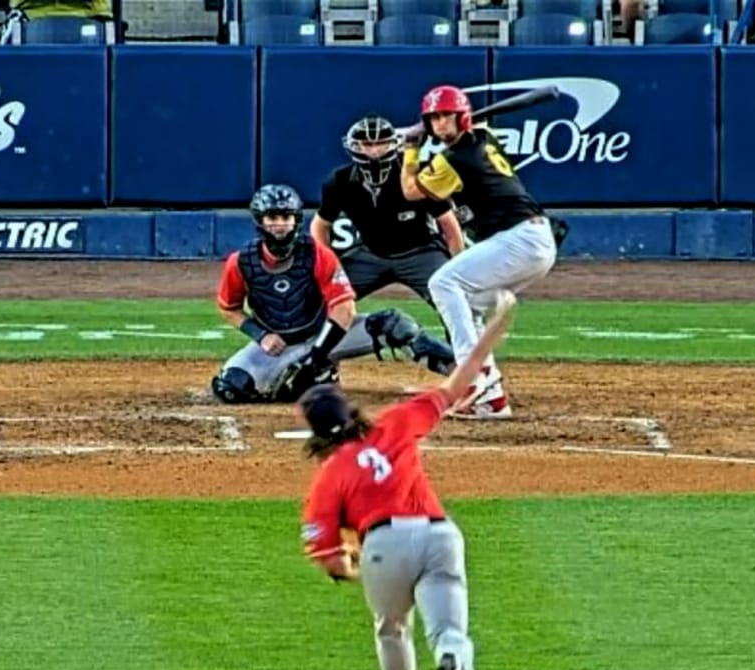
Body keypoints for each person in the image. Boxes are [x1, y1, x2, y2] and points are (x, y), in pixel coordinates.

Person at [296, 288, 518, 670]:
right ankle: (454, 653)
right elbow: (460, 379)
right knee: (447, 626)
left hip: (384, 544)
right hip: (440, 535)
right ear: (352, 411)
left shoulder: (331, 473)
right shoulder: (397, 423)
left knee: (392, 627)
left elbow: (330, 559)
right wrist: (498, 324)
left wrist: (359, 565)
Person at [210, 183, 455, 405]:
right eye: (272, 217)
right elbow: (228, 307)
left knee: (396, 325)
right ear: (260, 222)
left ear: (296, 220)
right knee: (231, 387)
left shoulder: (318, 254)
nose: (280, 225)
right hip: (279, 343)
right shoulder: (241, 262)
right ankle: (318, 378)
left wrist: (317, 355)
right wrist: (261, 335)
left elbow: (344, 308)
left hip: (324, 336)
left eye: (286, 217)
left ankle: (464, 375)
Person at [399, 85, 558, 421]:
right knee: (466, 304)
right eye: (434, 119)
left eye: (447, 116)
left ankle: (473, 382)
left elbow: (411, 191)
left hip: (519, 238)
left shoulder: (454, 158)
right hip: (529, 239)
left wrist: (411, 149)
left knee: (443, 282)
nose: (441, 124)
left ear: (463, 117)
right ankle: (492, 398)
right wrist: (428, 139)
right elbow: (454, 154)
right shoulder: (483, 137)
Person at [310, 115, 466, 310]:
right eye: (367, 144)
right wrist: (330, 265)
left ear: (393, 144)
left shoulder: (413, 174)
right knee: (318, 300)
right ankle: (320, 341)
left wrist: (457, 267)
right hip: (370, 253)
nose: (375, 150)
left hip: (420, 252)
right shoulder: (339, 181)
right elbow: (320, 225)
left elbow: (448, 222)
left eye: (382, 143)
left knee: (454, 299)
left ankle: (467, 341)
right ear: (354, 146)